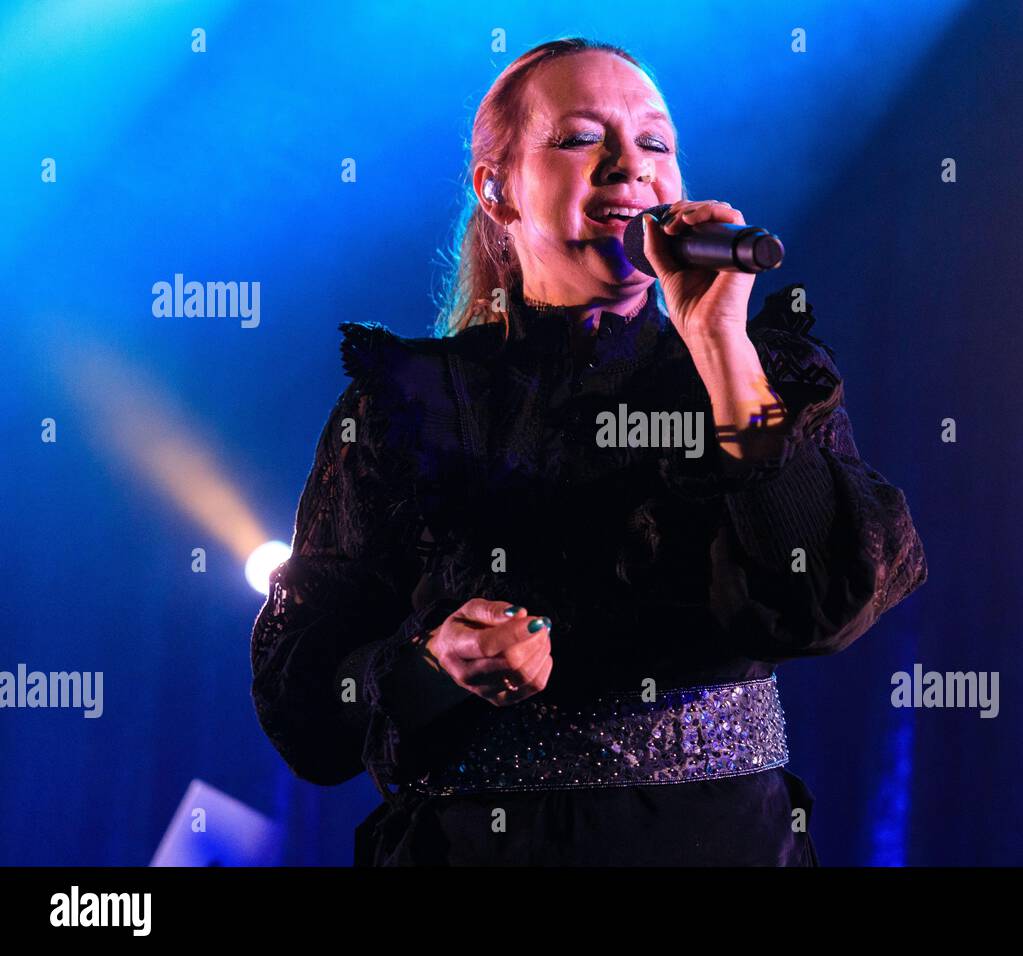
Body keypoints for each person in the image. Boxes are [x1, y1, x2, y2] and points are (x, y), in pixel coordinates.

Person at [250, 36, 927, 866]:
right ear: (496, 189)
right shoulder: (405, 405)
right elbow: (308, 707)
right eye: (579, 138)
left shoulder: (758, 373)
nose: (628, 166)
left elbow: (825, 603)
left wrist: (718, 343)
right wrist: (430, 665)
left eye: (655, 142)